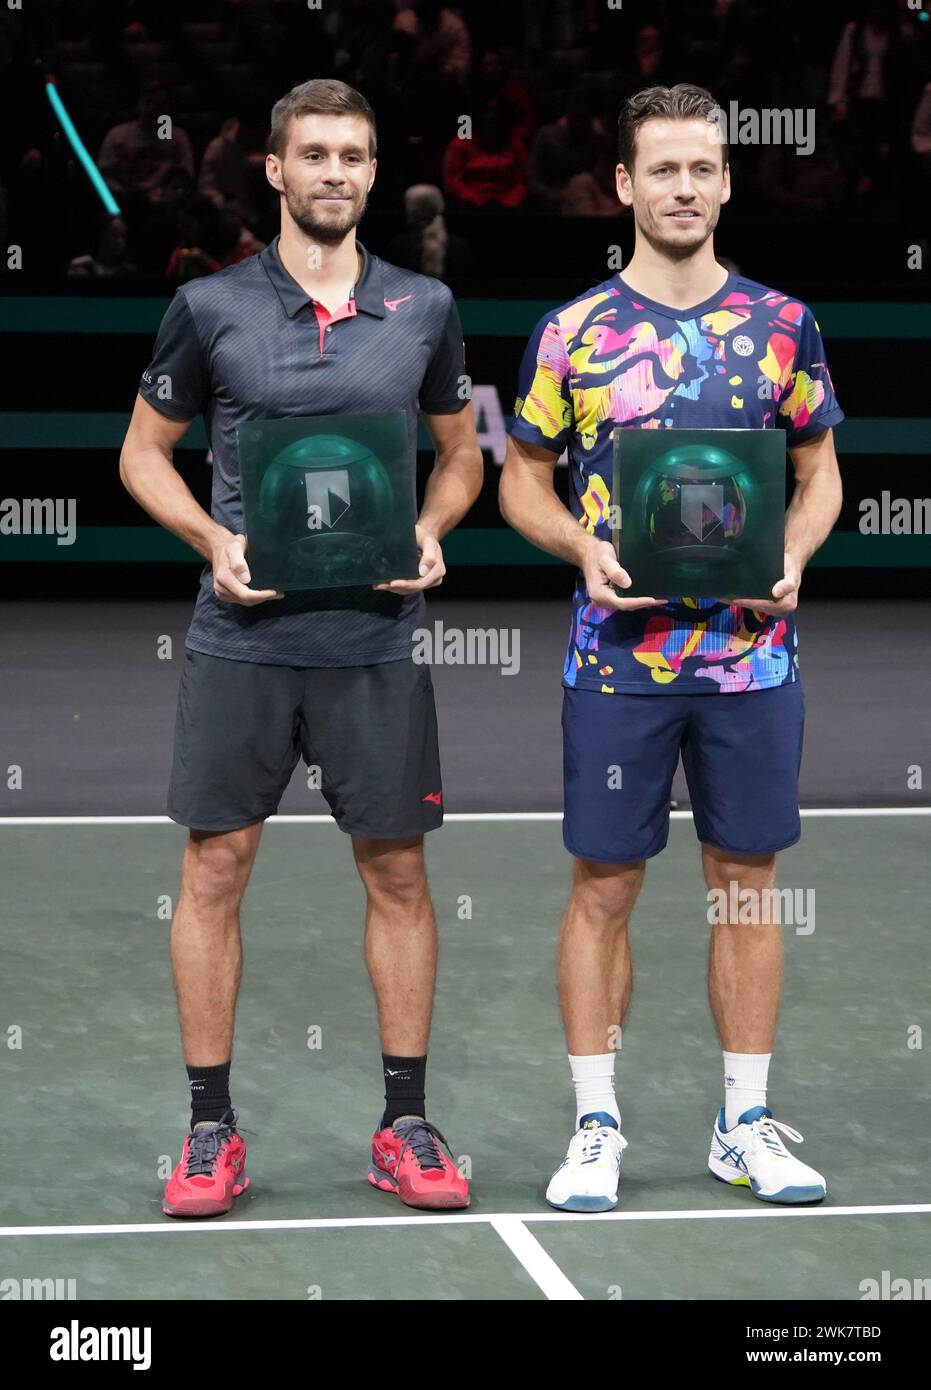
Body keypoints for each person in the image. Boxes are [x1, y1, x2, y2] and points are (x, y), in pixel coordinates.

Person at [119, 78, 483, 1217]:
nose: (336, 172)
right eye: (315, 154)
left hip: (375, 638)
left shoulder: (423, 306)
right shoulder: (211, 304)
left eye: (356, 155)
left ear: (375, 173)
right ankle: (209, 1131)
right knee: (214, 872)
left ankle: (405, 1122)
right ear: (273, 170)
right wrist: (211, 535)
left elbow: (465, 453)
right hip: (241, 639)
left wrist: (429, 528)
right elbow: (141, 454)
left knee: (397, 873)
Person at [500, 83, 844, 1212]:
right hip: (616, 660)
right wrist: (580, 544)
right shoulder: (572, 333)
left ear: (727, 181)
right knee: (604, 884)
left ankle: (742, 1120)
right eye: (663, 170)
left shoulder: (784, 325)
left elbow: (818, 474)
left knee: (746, 886)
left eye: (702, 169)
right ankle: (596, 1121)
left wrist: (793, 554)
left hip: (750, 661)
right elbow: (520, 483)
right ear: (624, 185)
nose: (684, 188)